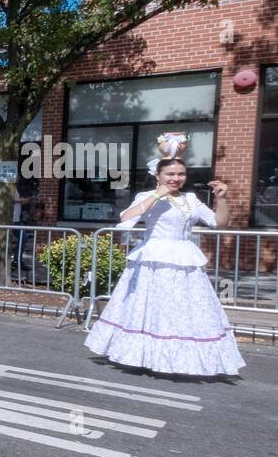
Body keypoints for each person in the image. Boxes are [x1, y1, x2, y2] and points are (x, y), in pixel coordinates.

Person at [85, 136, 244, 376]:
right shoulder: (147, 197)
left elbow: (219, 223)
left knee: (180, 308)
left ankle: (176, 359)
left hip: (184, 259)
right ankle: (142, 355)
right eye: (170, 174)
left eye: (181, 174)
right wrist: (157, 195)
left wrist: (222, 199)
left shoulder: (191, 199)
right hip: (154, 259)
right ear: (157, 175)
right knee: (150, 306)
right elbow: (126, 218)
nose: (176, 178)